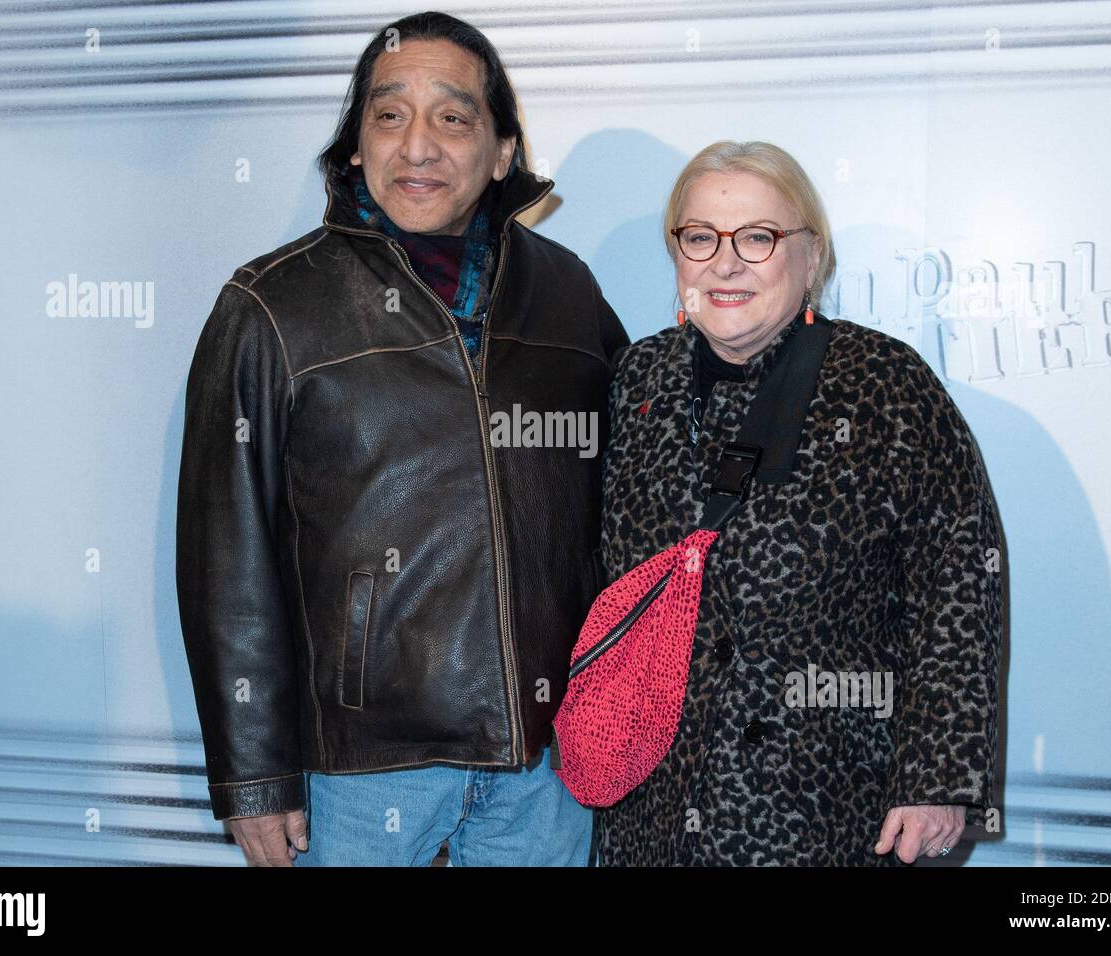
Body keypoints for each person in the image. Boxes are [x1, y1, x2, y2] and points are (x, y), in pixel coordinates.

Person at [175, 11, 628, 866]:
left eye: (453, 118)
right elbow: (224, 559)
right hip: (358, 770)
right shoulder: (272, 305)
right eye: (389, 115)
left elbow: (632, 495)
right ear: (355, 145)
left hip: (547, 763)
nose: (417, 145)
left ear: (501, 152)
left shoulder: (567, 292)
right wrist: (254, 778)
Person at [593, 140, 1005, 866]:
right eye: (699, 237)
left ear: (810, 258)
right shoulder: (636, 379)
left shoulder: (885, 384)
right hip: (654, 801)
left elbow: (958, 588)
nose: (725, 262)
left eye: (758, 237)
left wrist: (937, 778)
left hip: (825, 803)